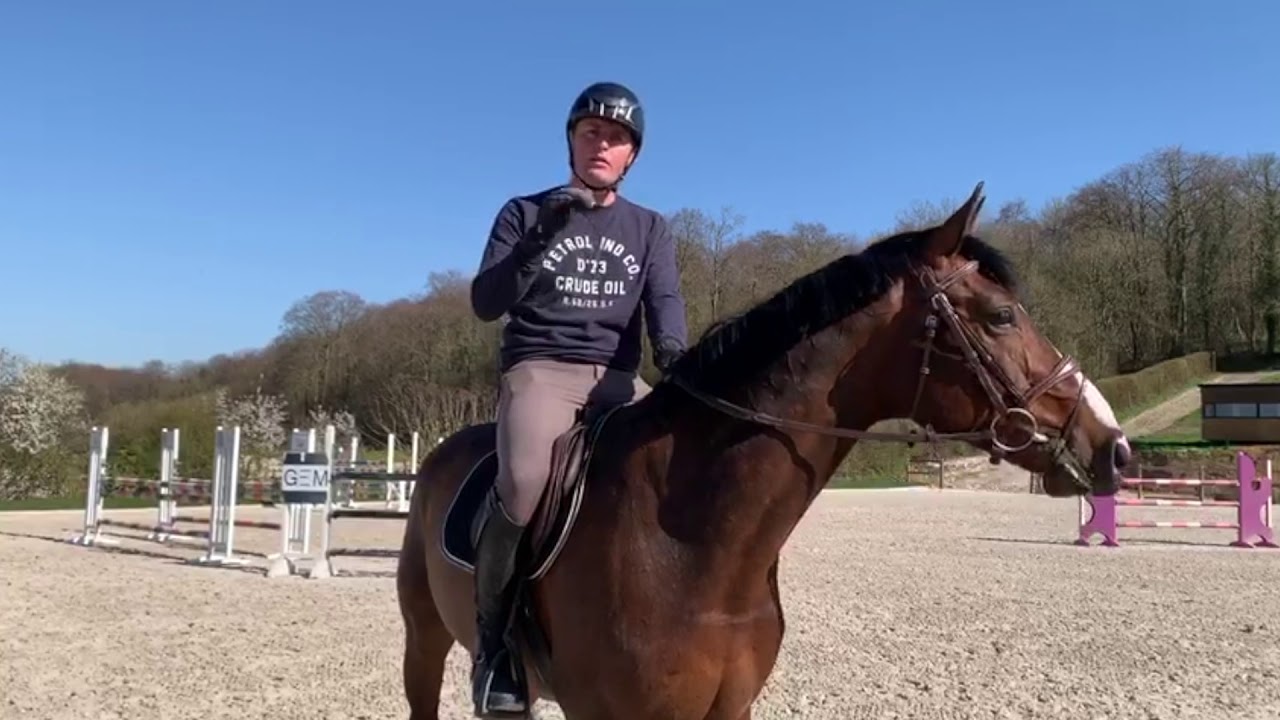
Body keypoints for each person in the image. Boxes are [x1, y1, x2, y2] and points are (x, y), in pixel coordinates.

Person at [466, 81, 689, 717]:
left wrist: (674, 354)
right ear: (571, 140)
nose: (602, 143)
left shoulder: (650, 227)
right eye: (591, 131)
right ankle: (497, 644)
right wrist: (539, 242)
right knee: (527, 480)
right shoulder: (521, 211)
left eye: (616, 137)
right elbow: (486, 304)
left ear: (631, 156)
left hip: (619, 378)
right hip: (541, 368)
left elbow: (664, 303)